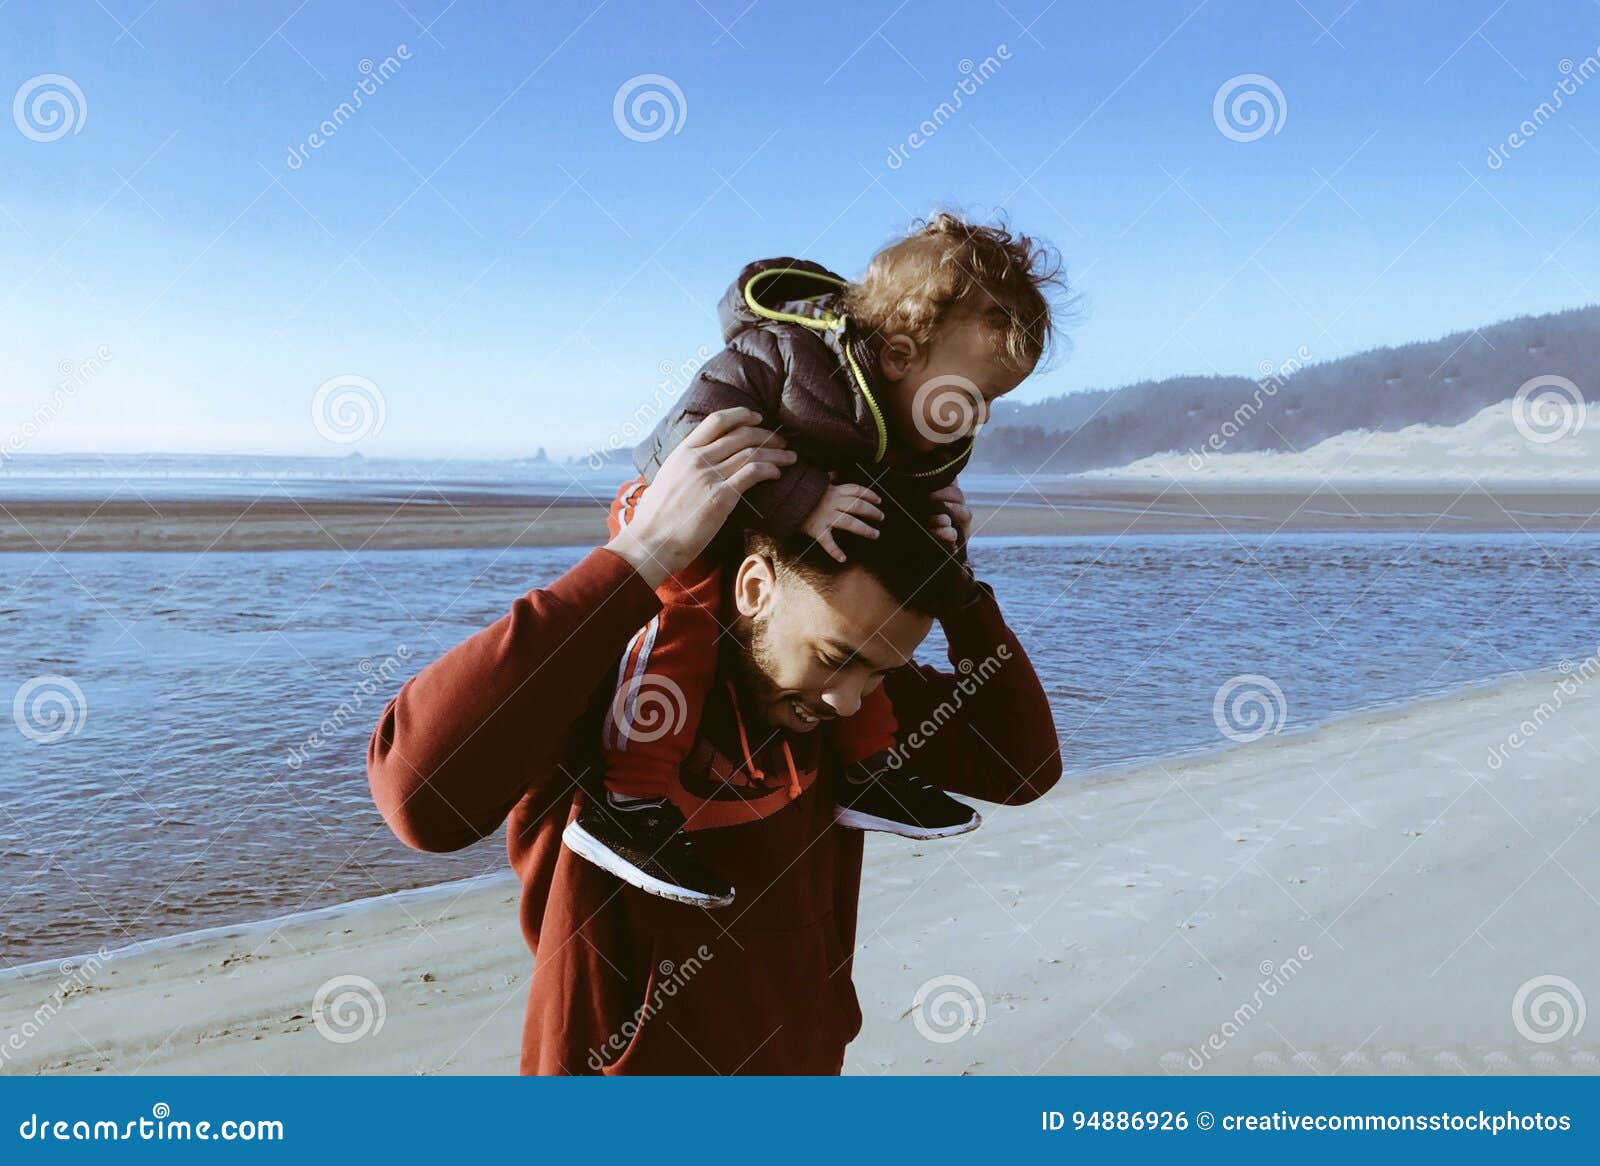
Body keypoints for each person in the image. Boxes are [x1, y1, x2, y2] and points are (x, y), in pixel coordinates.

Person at [367, 408, 1063, 1074]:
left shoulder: (854, 697)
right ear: (756, 586)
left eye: (880, 670)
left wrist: (963, 595)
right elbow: (420, 802)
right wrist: (639, 556)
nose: (848, 697)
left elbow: (1022, 764)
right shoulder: (611, 672)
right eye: (835, 657)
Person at [574, 213, 1065, 906]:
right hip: (679, 520)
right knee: (681, 629)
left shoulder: (914, 419)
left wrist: (944, 555)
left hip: (784, 557)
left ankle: (867, 769)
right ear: (899, 354)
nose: (980, 418)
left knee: (865, 652)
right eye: (975, 396)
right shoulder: (783, 357)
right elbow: (679, 441)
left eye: (992, 403)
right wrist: (801, 500)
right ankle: (629, 801)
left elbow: (1027, 763)